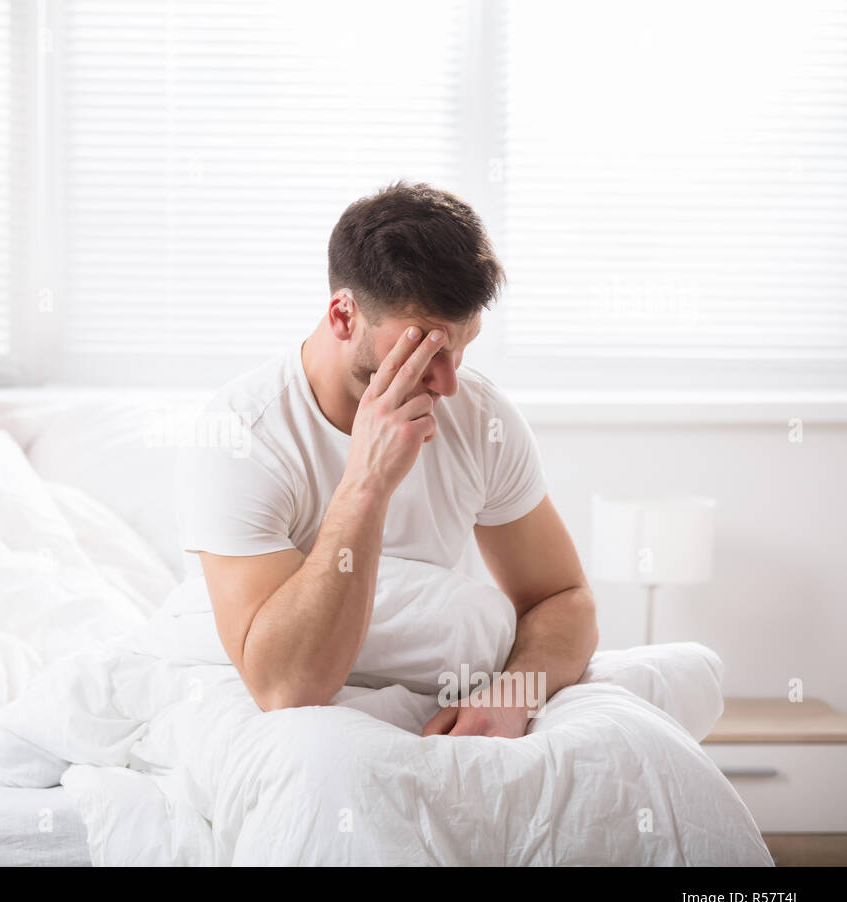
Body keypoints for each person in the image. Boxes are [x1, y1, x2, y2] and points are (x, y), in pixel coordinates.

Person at [179, 180, 598, 739]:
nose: (448, 384)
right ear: (343, 316)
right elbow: (287, 688)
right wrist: (367, 483)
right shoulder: (240, 434)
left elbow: (563, 597)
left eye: (461, 349)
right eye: (425, 348)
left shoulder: (480, 418)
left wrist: (511, 695)